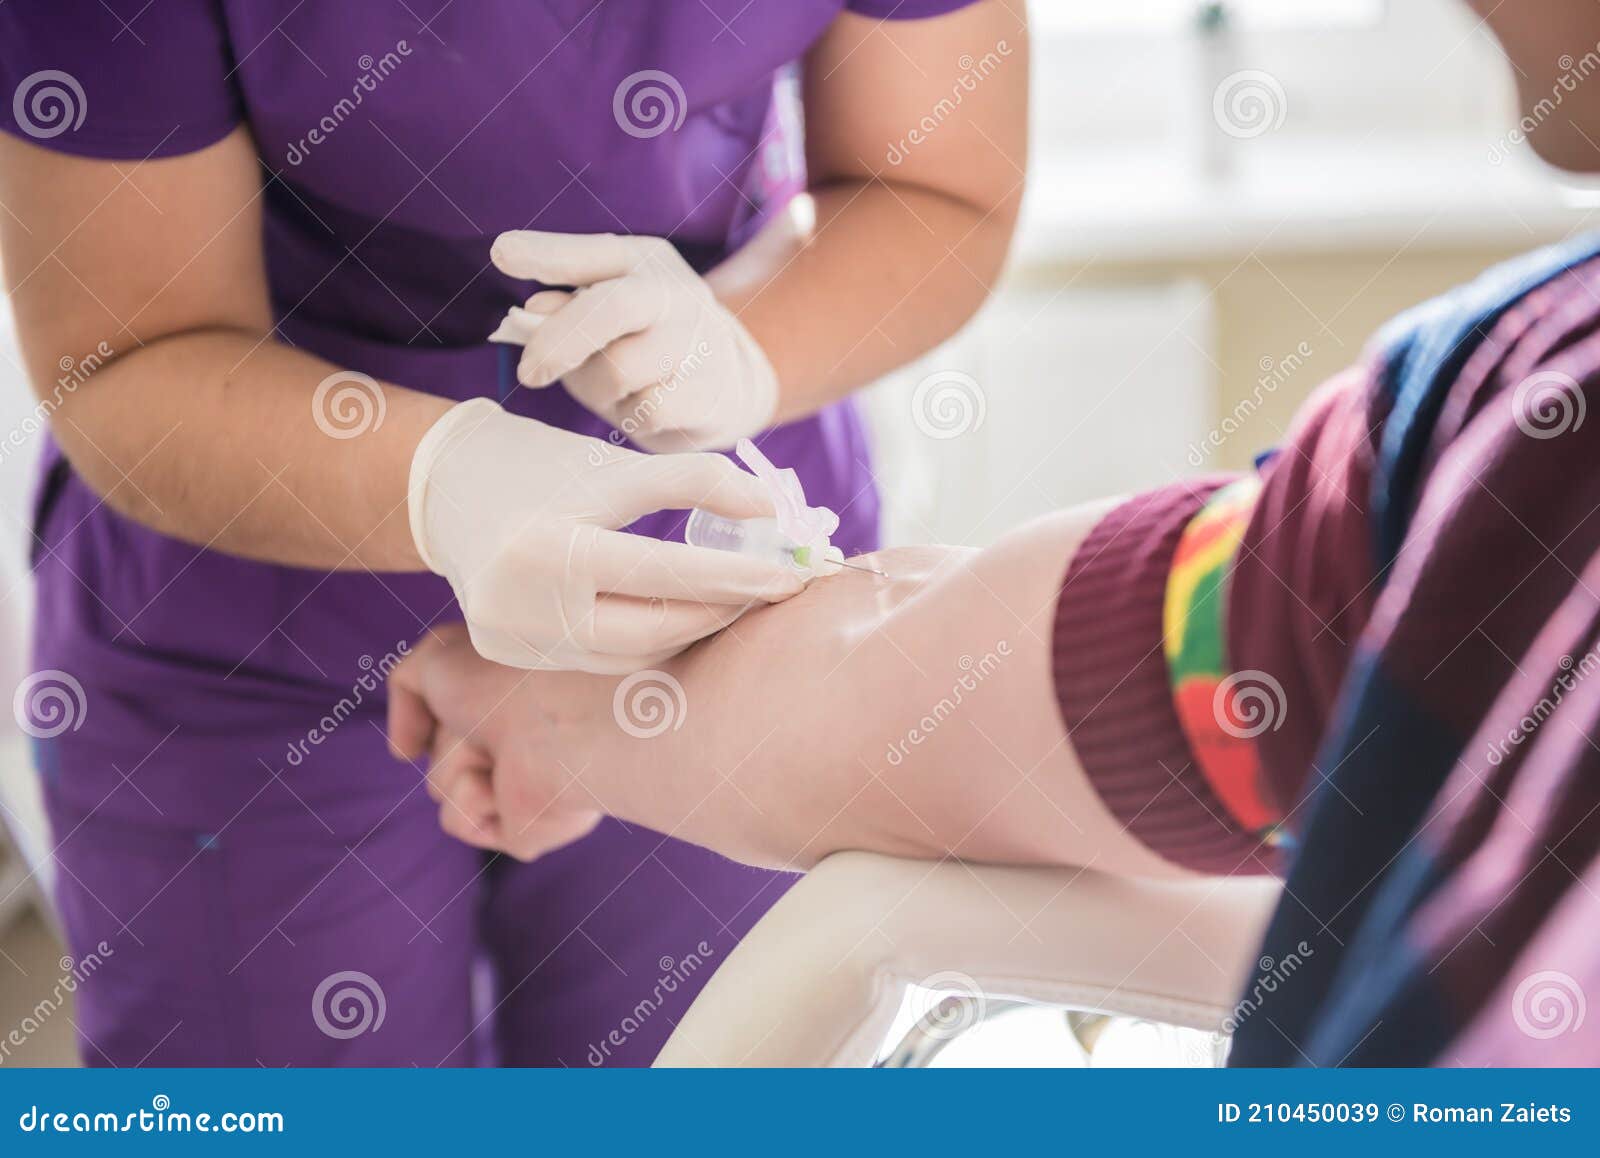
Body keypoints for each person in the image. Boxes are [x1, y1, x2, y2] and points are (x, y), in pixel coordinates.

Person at [388, 0, 1600, 1065]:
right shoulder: (1510, 423)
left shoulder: (1523, 422)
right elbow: (945, 665)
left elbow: (902, 671)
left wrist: (546, 708)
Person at [0, 1, 1026, 1064]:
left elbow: (935, 183)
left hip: (712, 569)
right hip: (247, 567)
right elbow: (128, 343)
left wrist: (742, 346)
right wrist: (445, 480)